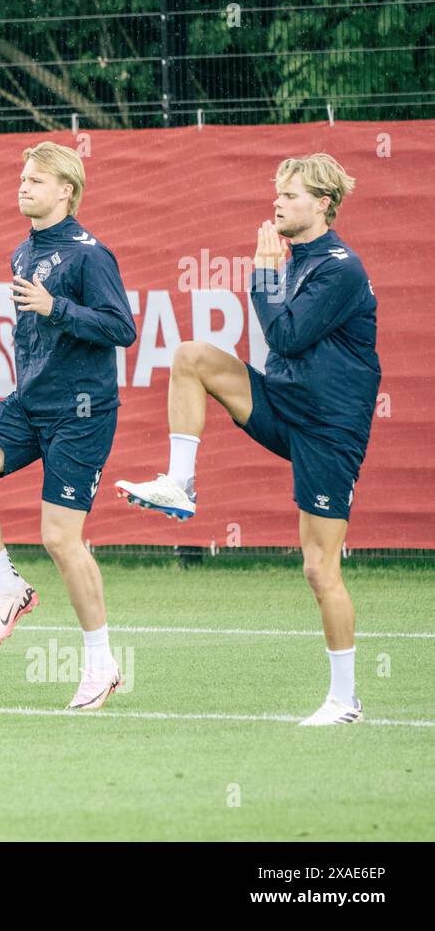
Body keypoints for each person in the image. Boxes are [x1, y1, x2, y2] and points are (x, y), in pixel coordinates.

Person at [115, 153, 379, 726]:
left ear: (324, 205)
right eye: (278, 192)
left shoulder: (340, 267)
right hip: (284, 404)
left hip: (328, 430)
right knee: (191, 356)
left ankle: (344, 700)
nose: (278, 202)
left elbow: (285, 337)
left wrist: (262, 273)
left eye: (292, 194)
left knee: (318, 568)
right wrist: (270, 273)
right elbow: (282, 347)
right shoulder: (297, 260)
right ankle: (179, 484)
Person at [0, 141, 137, 710]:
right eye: (22, 179)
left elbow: (123, 328)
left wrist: (57, 309)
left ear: (66, 191)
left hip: (81, 412)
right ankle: (9, 587)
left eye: (37, 181)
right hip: (29, 403)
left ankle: (101, 666)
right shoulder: (24, 252)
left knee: (59, 539)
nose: (24, 187)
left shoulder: (90, 255)